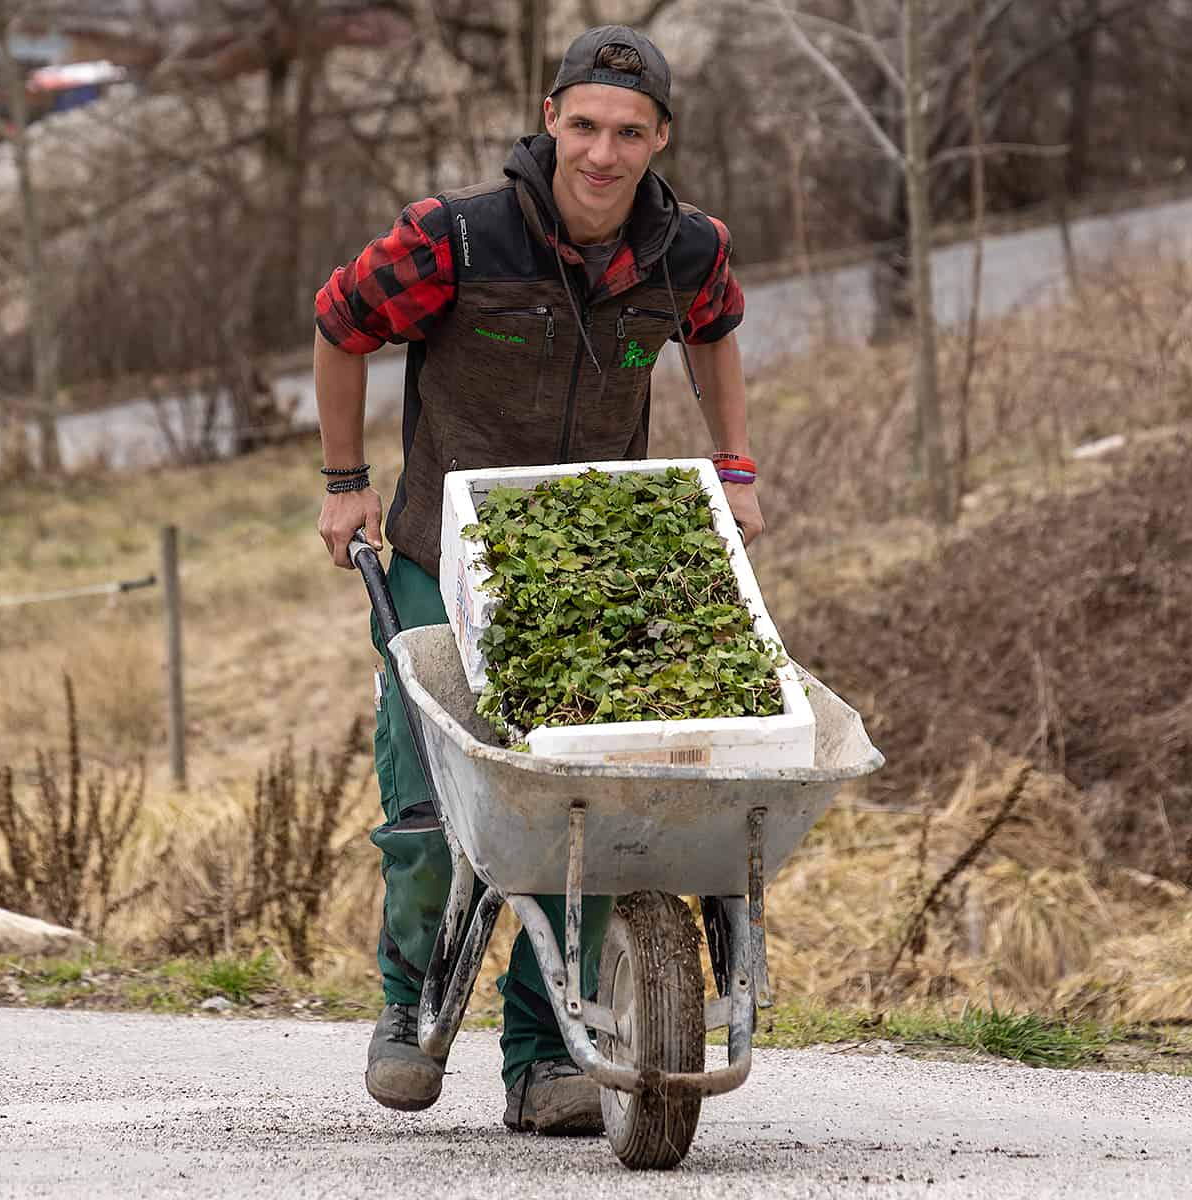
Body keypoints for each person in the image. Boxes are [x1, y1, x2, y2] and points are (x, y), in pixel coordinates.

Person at [311, 24, 764, 1136]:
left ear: (659, 138)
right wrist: (344, 481)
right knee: (432, 808)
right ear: (550, 118)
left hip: (586, 566)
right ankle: (406, 1010)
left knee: (594, 810)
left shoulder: (685, 251)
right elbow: (339, 323)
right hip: (436, 556)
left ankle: (543, 1057)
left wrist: (735, 469)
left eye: (628, 132)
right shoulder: (457, 239)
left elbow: (714, 334)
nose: (602, 154)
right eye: (584, 126)